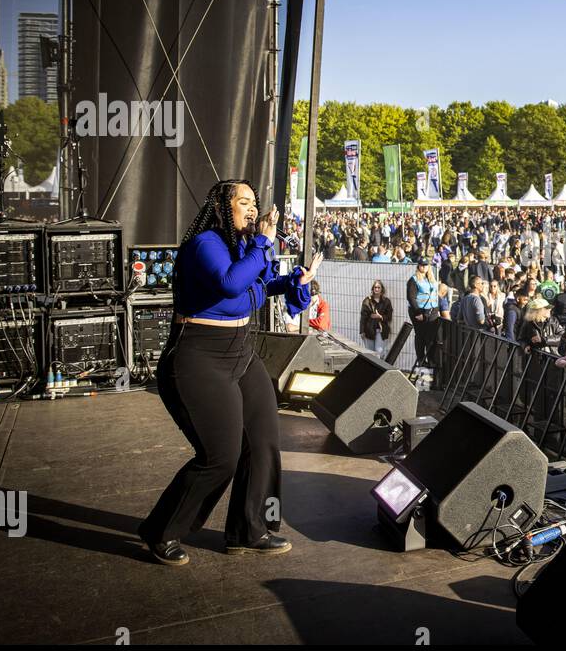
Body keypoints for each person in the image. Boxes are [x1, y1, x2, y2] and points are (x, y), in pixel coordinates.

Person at [139, 180, 319, 565]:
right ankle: (161, 530)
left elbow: (257, 286)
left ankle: (251, 530)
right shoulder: (205, 244)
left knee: (264, 442)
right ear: (221, 208)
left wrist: (293, 282)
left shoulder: (244, 246)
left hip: (240, 353)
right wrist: (263, 246)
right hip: (198, 358)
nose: (253, 209)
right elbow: (231, 285)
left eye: (255, 203)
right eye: (244, 202)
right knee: (221, 456)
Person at [360, 280, 394, 357]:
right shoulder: (367, 301)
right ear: (373, 289)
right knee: (370, 354)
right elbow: (363, 317)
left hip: (381, 330)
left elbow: (389, 317)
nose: (377, 289)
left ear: (382, 289)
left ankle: (379, 368)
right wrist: (361, 331)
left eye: (379, 287)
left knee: (379, 352)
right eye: (375, 287)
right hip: (369, 330)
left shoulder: (386, 301)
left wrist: (380, 317)